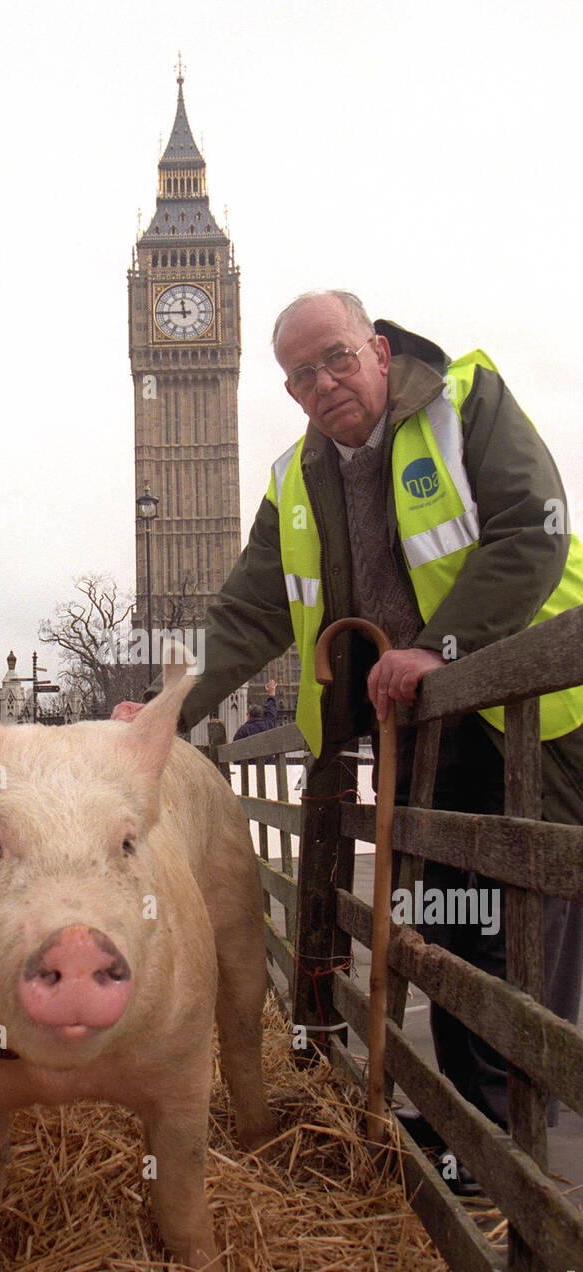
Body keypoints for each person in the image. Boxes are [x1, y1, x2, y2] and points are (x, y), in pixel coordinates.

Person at [114, 289, 583, 1152]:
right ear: (288, 392)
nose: (323, 381)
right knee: (442, 924)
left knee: (521, 926)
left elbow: (535, 528)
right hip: (427, 729)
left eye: (336, 357)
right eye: (300, 374)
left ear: (376, 348)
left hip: (538, 717)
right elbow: (247, 614)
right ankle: (466, 1128)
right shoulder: (299, 477)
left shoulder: (464, 402)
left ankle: (507, 1141)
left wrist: (445, 642)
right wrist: (165, 706)